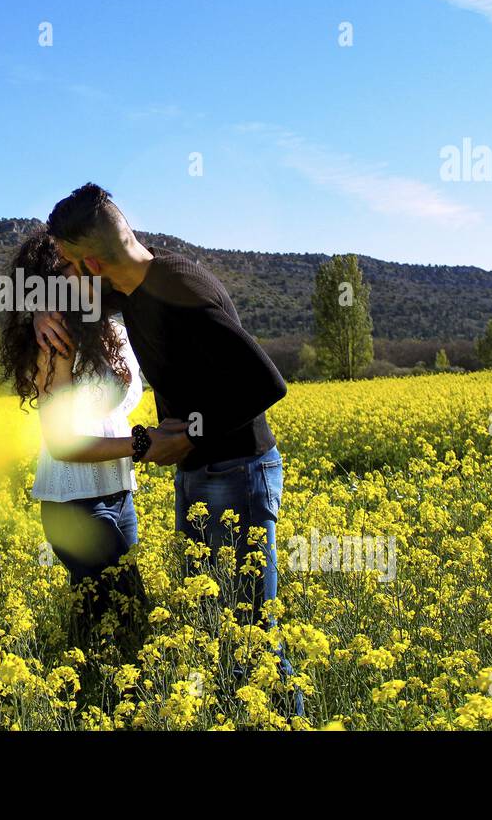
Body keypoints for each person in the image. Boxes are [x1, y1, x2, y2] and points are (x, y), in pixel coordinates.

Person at [35, 184, 303, 716]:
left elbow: (265, 383)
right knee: (216, 622)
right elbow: (57, 296)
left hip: (236, 472)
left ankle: (285, 721)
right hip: (202, 473)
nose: (62, 276)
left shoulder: (181, 291)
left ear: (89, 261)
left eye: (67, 263)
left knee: (251, 627)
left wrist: (189, 437)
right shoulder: (131, 283)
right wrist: (39, 314)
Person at [0, 229, 149, 651]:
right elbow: (63, 443)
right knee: (129, 612)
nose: (86, 272)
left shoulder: (109, 322)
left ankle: (85, 701)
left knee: (106, 622)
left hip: (120, 494)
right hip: (74, 502)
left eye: (84, 263)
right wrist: (141, 445)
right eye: (69, 268)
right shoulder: (55, 340)